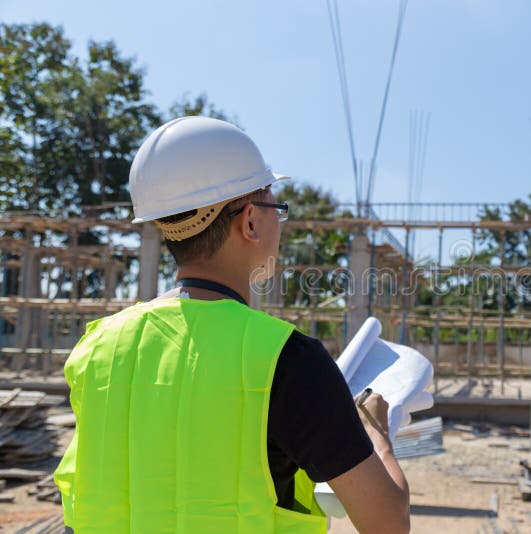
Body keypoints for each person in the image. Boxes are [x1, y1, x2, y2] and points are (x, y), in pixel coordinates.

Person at [53, 116, 410, 533]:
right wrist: (377, 430)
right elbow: (387, 523)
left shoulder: (98, 348)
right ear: (251, 221)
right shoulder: (287, 360)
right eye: (276, 207)